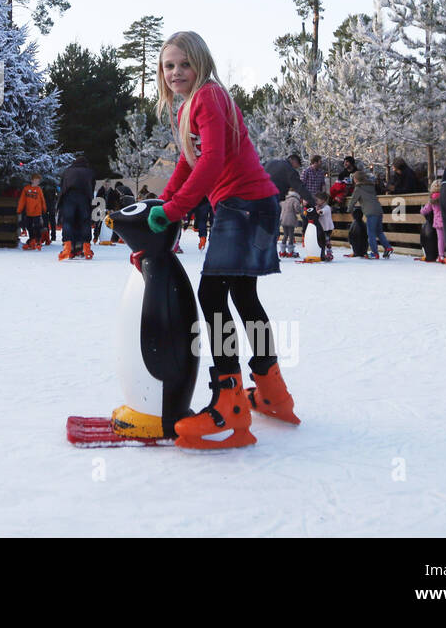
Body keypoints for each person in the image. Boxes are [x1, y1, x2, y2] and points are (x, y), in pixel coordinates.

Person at [139, 31, 294, 450]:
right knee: (244, 298)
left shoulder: (208, 97)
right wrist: (166, 200)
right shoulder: (192, 104)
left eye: (184, 64)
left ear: (201, 64)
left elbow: (213, 161)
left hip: (243, 205)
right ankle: (271, 391)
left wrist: (174, 210)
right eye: (168, 66)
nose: (175, 73)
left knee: (212, 298)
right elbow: (189, 165)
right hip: (254, 203)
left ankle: (229, 403)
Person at [347, 170, 393, 259]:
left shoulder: (358, 188)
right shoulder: (371, 186)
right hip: (379, 210)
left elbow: (353, 200)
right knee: (379, 232)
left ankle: (374, 253)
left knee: (371, 233)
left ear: (356, 179)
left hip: (371, 212)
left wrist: (349, 209)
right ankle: (387, 247)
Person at [57, 156, 95, 260]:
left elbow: (62, 186)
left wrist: (61, 202)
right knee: (84, 222)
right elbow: (92, 187)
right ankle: (85, 248)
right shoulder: (89, 172)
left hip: (69, 197)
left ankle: (68, 247)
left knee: (68, 221)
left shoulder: (67, 171)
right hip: (84, 198)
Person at [17, 173, 47, 251]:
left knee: (37, 226)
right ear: (32, 180)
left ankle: (38, 240)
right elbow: (22, 200)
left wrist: (44, 208)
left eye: (38, 181)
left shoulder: (39, 189)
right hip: (28, 211)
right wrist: (19, 209)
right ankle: (32, 239)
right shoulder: (26, 189)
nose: (37, 182)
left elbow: (42, 199)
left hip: (37, 211)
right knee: (29, 226)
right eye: (35, 181)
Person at [420, 185, 444, 262]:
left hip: (438, 221)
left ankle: (441, 256)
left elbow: (425, 210)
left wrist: (421, 210)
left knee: (440, 239)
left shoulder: (432, 199)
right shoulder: (445, 196)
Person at [307, 193, 334, 261]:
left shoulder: (327, 207)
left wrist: (319, 211)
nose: (316, 201)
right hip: (321, 227)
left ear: (323, 200)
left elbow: (323, 211)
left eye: (317, 200)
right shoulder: (318, 206)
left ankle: (329, 253)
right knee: (321, 241)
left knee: (326, 241)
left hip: (327, 228)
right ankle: (321, 253)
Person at [278, 189, 302, 257]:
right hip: (290, 219)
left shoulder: (285, 198)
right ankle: (291, 251)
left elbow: (280, 204)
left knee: (285, 235)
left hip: (283, 218)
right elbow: (297, 208)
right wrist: (300, 211)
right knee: (291, 235)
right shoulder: (295, 199)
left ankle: (282, 251)